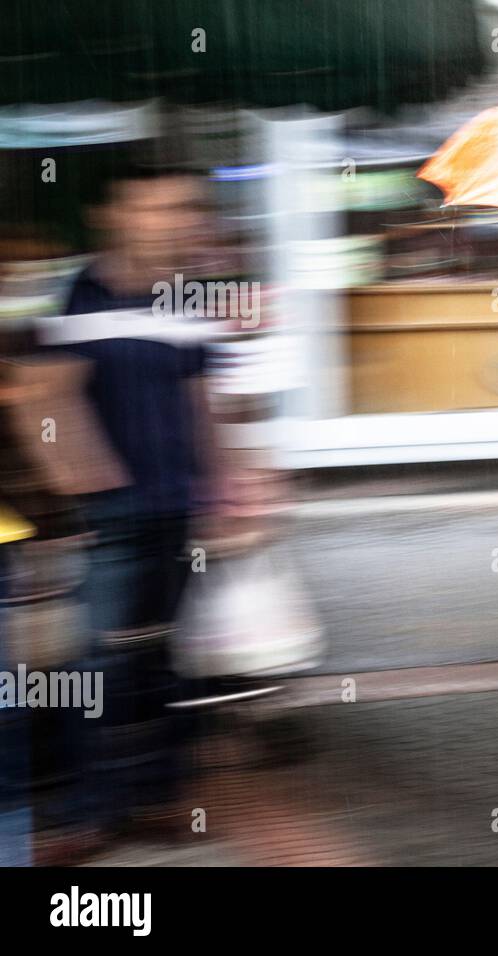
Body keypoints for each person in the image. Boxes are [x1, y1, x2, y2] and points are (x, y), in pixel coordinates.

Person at [40, 165, 227, 860]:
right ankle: (86, 813)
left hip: (179, 509)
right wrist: (81, 490)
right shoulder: (80, 293)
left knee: (162, 661)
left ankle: (153, 800)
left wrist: (226, 485)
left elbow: (199, 403)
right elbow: (45, 395)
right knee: (98, 665)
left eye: (186, 210)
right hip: (112, 516)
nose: (177, 222)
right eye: (159, 209)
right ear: (115, 216)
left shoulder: (188, 300)